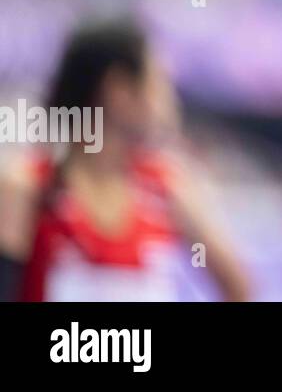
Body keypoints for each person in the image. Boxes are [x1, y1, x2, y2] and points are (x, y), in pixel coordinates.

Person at [0, 18, 251, 302]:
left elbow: (239, 287)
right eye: (160, 85)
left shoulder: (167, 187)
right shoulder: (29, 186)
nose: (171, 102)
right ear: (118, 91)